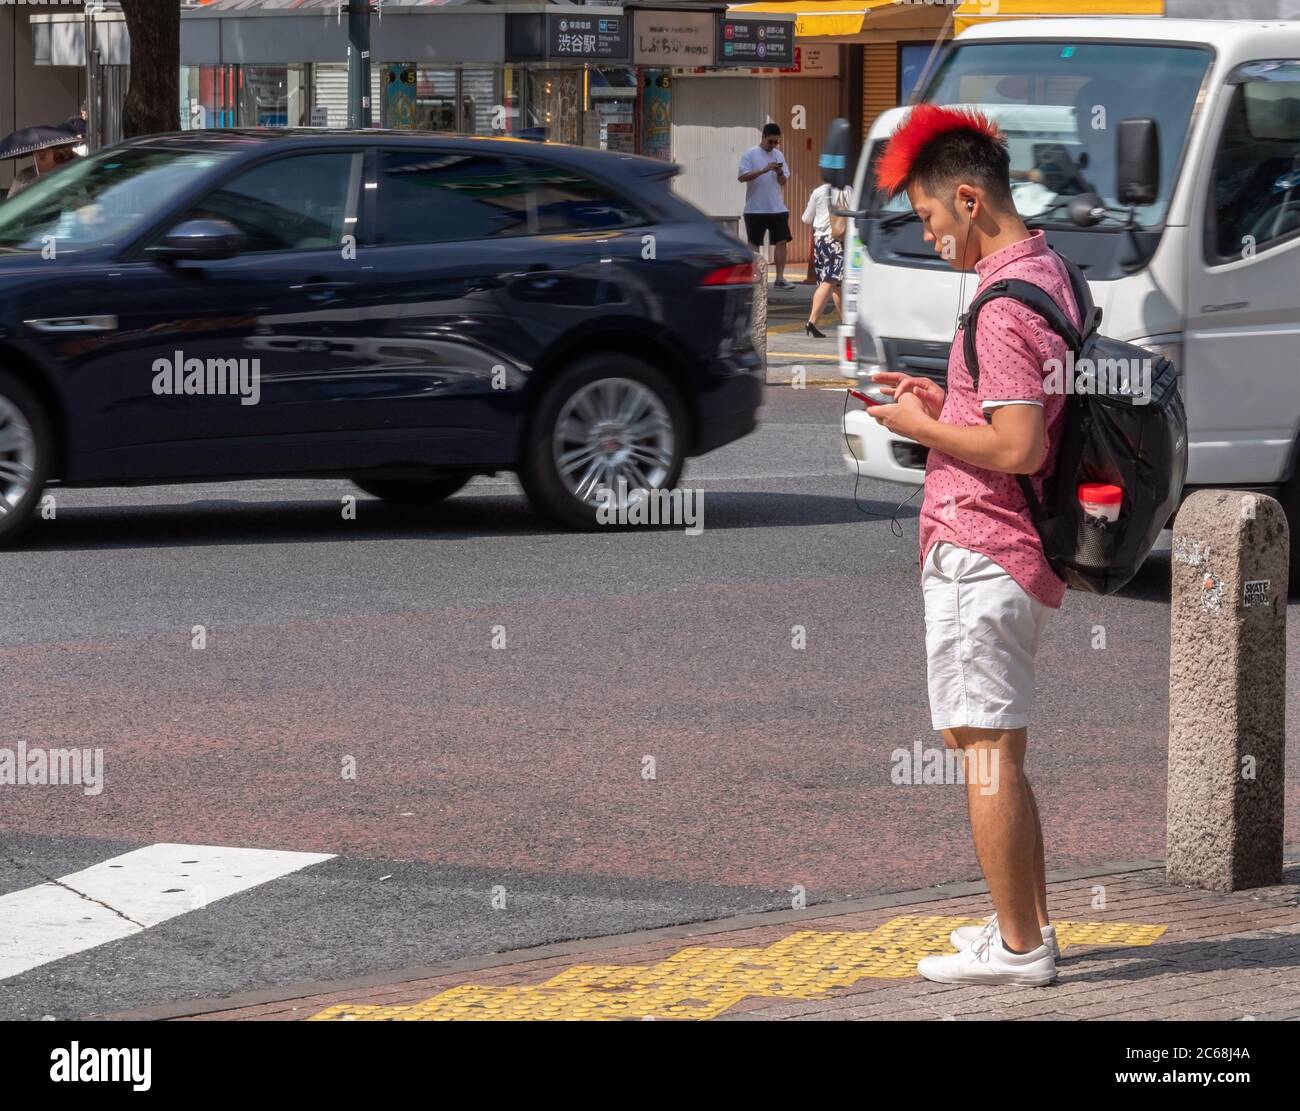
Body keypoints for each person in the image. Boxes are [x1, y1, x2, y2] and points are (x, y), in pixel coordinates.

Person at [865, 104, 1081, 987]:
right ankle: (1021, 929)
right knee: (999, 750)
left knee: (983, 751)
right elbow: (1011, 413)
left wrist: (922, 425)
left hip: (981, 544)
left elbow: (1020, 445)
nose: (929, 234)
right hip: (1016, 548)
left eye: (928, 217)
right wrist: (942, 401)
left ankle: (1022, 950)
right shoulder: (1050, 271)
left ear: (967, 198)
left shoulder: (998, 304)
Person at [738, 122, 794, 289]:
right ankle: (753, 277)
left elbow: (784, 182)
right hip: (755, 208)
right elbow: (742, 177)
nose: (773, 145)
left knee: (782, 241)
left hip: (777, 207)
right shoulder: (750, 154)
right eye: (770, 141)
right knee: (754, 243)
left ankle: (780, 278)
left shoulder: (779, 155)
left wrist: (779, 172)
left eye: (776, 142)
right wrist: (764, 169)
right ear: (762, 137)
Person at [800, 181, 851, 337]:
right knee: (830, 280)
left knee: (836, 284)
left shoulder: (818, 190)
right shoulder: (847, 189)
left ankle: (846, 322)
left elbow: (806, 218)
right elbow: (853, 213)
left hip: (820, 241)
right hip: (836, 240)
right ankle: (812, 321)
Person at [6, 140, 80, 201]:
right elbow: (10, 203)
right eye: (37, 147)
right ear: (33, 152)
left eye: (46, 147)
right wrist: (31, 185)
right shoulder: (24, 175)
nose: (42, 151)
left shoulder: (65, 171)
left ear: (53, 150)